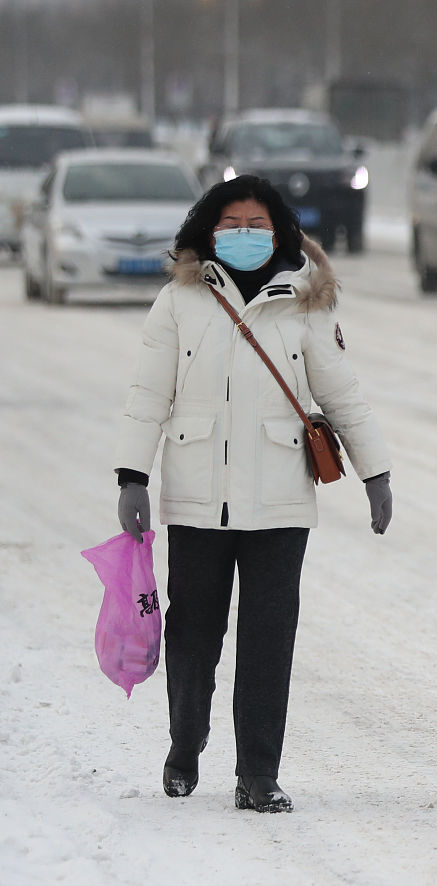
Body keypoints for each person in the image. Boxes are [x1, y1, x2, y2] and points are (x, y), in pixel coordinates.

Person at [113, 174, 393, 813]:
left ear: (281, 233)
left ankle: (258, 775)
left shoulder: (305, 303)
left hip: (280, 503)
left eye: (257, 225)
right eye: (232, 224)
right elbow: (147, 397)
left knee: (269, 640)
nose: (244, 235)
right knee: (193, 636)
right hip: (196, 502)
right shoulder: (179, 302)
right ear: (209, 230)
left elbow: (341, 395)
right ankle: (185, 746)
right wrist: (133, 476)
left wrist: (375, 472)